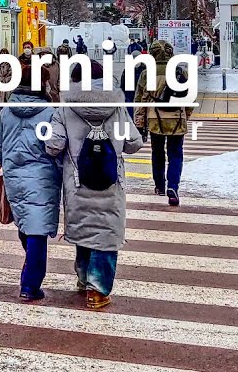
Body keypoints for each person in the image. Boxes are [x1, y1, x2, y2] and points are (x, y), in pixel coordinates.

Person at [47, 60, 143, 310]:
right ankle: (98, 290)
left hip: (78, 184)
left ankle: (83, 278)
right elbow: (134, 143)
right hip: (111, 184)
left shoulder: (66, 110)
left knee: (85, 228)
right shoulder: (117, 108)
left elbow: (54, 145)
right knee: (105, 234)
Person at [0, 61, 59, 301]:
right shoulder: (50, 113)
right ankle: (30, 285)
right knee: (37, 230)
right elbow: (54, 148)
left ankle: (30, 270)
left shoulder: (6, 112)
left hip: (13, 176)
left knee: (26, 224)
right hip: (42, 177)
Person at [135, 40, 193, 206]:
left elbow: (141, 101)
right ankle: (173, 185)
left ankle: (160, 185)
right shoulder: (180, 71)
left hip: (155, 119)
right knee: (176, 154)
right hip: (177, 119)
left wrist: (140, 123)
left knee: (157, 152)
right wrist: (186, 115)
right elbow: (190, 97)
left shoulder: (147, 73)